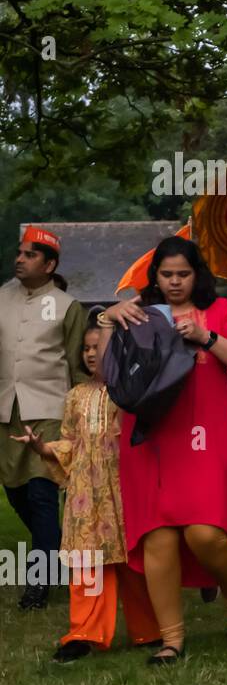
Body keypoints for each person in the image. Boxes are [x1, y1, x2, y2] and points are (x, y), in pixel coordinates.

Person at [100, 236, 227, 664]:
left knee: (205, 532)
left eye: (183, 274)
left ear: (198, 275)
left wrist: (207, 337)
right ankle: (171, 639)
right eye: (166, 274)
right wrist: (106, 318)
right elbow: (108, 370)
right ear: (155, 276)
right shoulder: (138, 315)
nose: (174, 283)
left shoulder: (220, 312)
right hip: (150, 439)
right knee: (157, 537)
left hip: (207, 438)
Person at [11, 319, 162, 661]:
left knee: (133, 559)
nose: (93, 353)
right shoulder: (75, 395)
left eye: (100, 346)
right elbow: (70, 443)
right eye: (87, 348)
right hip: (84, 493)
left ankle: (150, 629)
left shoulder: (131, 391)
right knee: (87, 562)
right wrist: (40, 447)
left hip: (124, 487)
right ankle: (83, 633)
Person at [1, 226, 88, 610]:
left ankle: (40, 581)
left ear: (50, 265)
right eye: (19, 253)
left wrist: (85, 414)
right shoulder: (1, 297)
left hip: (49, 411)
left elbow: (78, 363)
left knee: (40, 493)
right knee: (15, 491)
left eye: (30, 255)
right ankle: (56, 549)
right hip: (6, 408)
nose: (19, 259)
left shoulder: (67, 306)